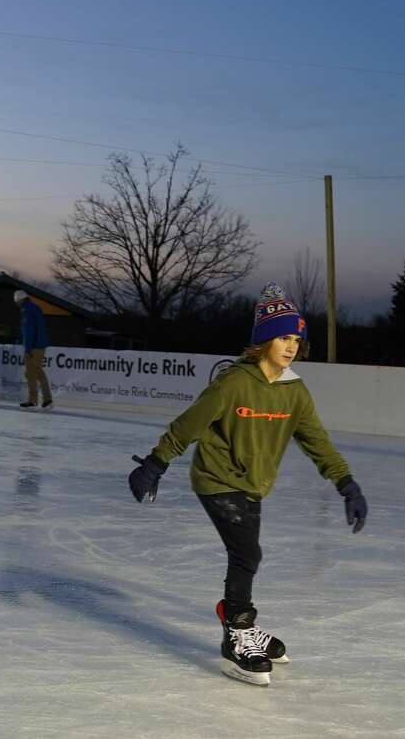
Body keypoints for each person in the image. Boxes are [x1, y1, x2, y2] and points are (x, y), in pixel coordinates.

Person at [127, 282, 368, 687]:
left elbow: (317, 442)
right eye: (282, 338)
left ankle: (238, 617)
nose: (290, 346)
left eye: (296, 338)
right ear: (262, 341)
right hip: (216, 479)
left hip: (254, 484)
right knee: (247, 553)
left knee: (247, 555)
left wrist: (347, 483)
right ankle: (236, 635)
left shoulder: (295, 391)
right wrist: (155, 463)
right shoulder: (234, 383)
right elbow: (190, 424)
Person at [13, 289, 53, 409]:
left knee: (36, 372)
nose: (17, 304)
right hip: (38, 345)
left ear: (20, 300)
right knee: (31, 373)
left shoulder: (27, 310)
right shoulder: (35, 308)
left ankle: (45, 400)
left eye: (17, 302)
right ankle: (35, 400)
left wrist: (28, 349)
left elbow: (28, 330)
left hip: (34, 347)